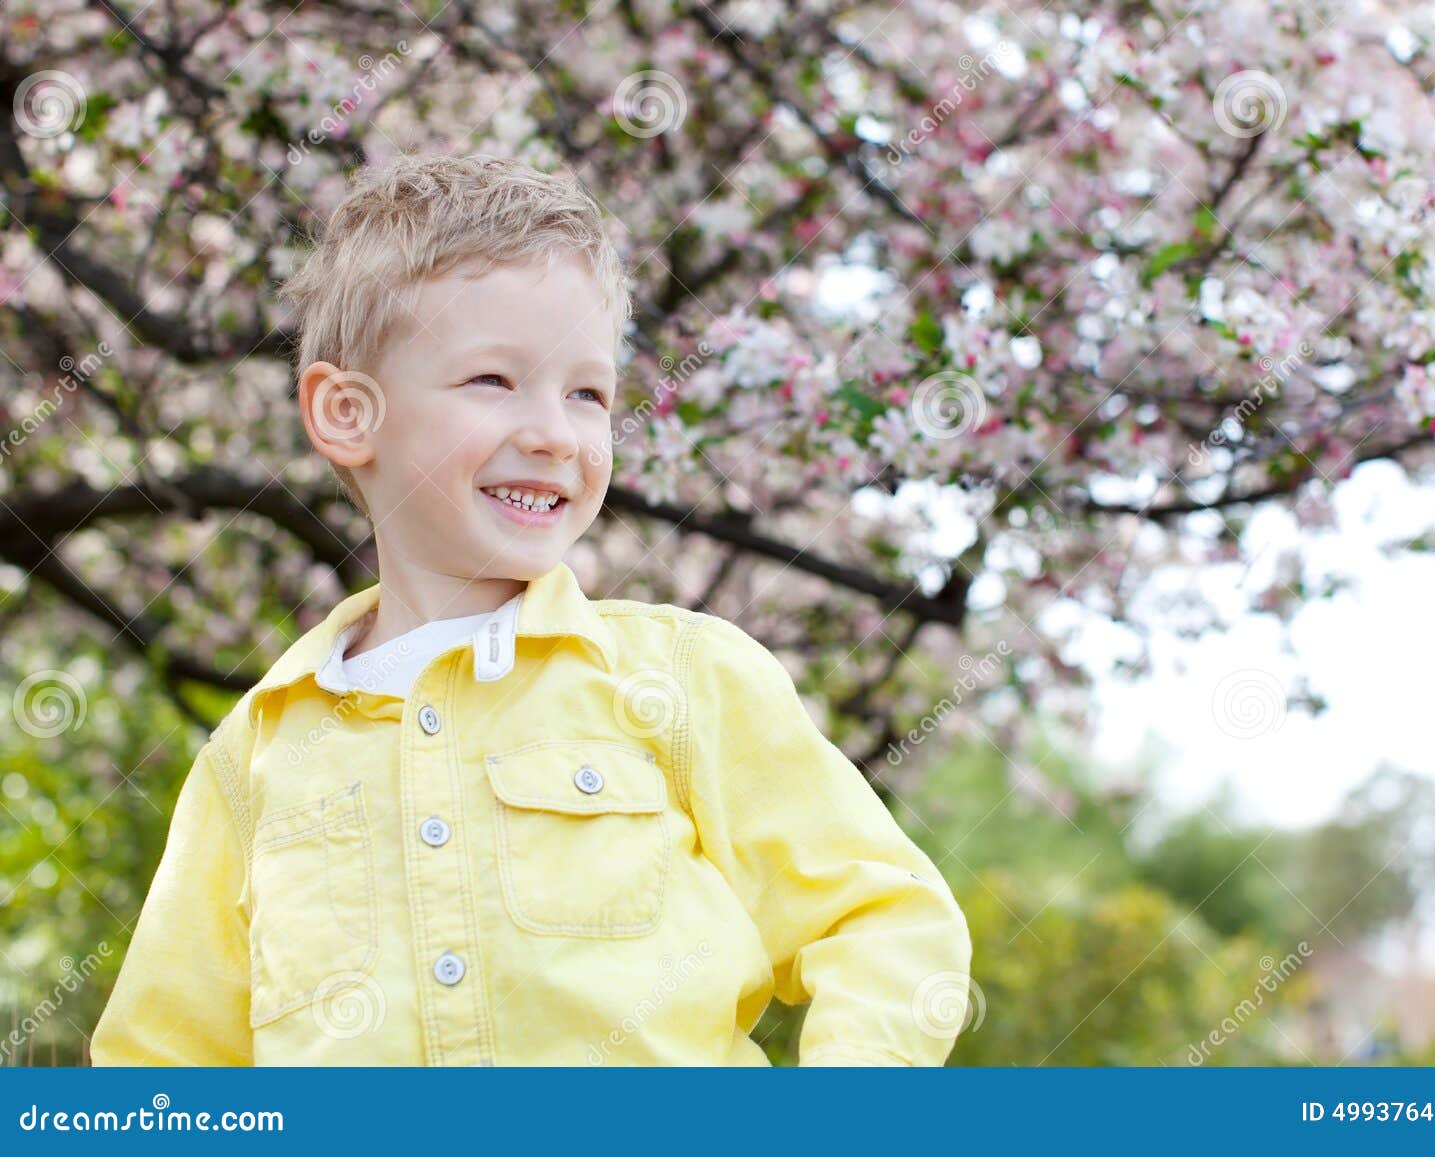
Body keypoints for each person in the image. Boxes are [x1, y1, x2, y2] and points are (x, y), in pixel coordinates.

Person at [89, 152, 972, 1066]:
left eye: (587, 393)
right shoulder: (258, 753)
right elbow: (163, 1058)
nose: (556, 433)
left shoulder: (680, 680)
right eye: (494, 382)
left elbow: (882, 916)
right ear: (348, 413)